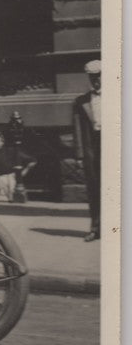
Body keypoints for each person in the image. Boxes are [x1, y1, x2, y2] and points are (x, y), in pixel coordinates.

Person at [73, 59, 101, 241]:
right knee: (94, 188)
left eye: (98, 77)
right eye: (92, 77)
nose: (96, 81)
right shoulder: (81, 101)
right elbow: (77, 129)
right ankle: (96, 228)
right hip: (92, 147)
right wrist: (79, 155)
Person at [0, 130, 35, 202]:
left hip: (9, 181)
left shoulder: (10, 151)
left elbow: (32, 161)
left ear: (2, 142)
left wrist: (20, 175)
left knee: (11, 202)